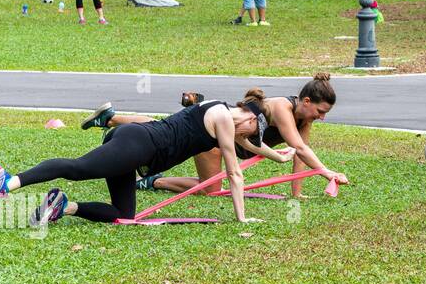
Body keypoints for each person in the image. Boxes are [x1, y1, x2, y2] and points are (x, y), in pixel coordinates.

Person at [0, 97, 292, 226]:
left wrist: (278, 156)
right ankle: (7, 181)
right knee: (79, 168)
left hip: (135, 145)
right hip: (138, 143)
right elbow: (234, 173)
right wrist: (242, 218)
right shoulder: (223, 116)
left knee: (125, 215)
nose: (251, 135)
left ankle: (63, 205)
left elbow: (248, 144)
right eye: (255, 128)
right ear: (250, 117)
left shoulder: (225, 117)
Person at [84, 77, 346, 201]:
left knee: (161, 126)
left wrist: (296, 194)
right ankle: (153, 181)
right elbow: (298, 146)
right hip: (215, 141)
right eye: (320, 111)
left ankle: (109, 119)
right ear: (307, 101)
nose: (321, 117)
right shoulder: (282, 108)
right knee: (209, 187)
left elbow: (301, 153)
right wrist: (328, 173)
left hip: (229, 139)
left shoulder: (306, 118)